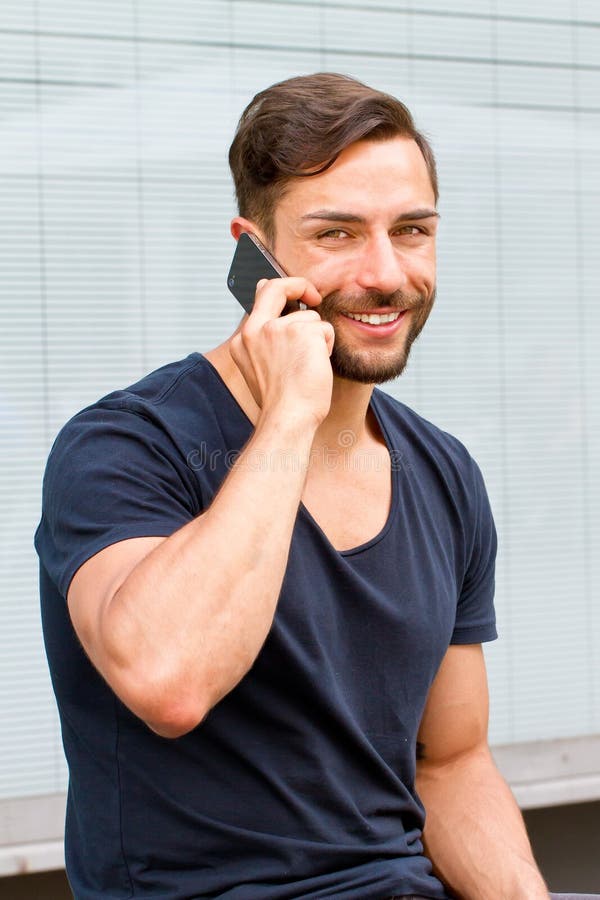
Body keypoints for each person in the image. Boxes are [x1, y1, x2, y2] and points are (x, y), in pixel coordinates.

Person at [35, 72, 559, 900]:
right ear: (255, 253)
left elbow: (453, 763)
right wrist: (289, 420)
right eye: (338, 233)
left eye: (412, 230)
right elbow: (168, 681)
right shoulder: (125, 447)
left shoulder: (444, 471)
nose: (386, 274)